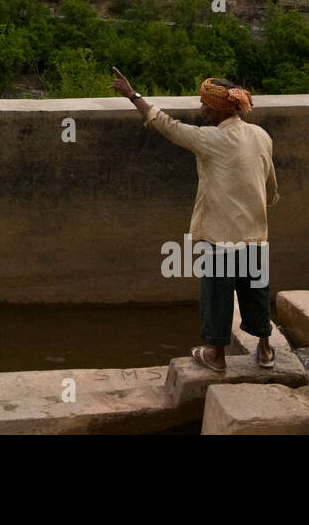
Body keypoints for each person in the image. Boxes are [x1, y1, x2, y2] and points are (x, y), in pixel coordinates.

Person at [110, 68, 279, 373]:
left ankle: (216, 355)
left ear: (218, 109)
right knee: (256, 291)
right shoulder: (261, 135)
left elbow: (168, 125)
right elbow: (268, 180)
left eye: (205, 106)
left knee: (217, 294)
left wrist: (133, 95)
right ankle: (265, 351)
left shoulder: (213, 139)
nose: (201, 110)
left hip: (222, 236)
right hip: (255, 233)